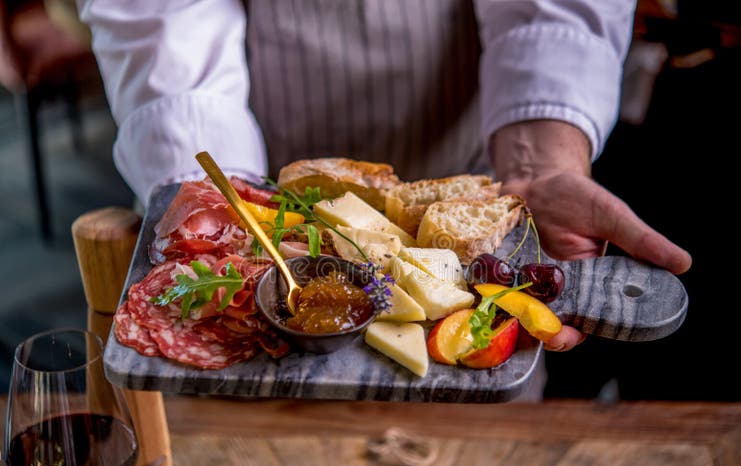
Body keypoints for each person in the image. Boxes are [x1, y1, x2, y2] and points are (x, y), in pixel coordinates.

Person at [75, 0, 691, 354]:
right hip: (269, 154)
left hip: (476, 152)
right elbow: (161, 13)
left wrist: (539, 166)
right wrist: (221, 211)